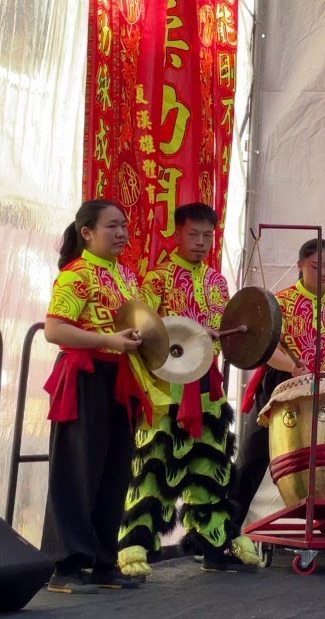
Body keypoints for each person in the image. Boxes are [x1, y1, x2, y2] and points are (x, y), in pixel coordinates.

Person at [115, 203, 259, 576]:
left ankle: (213, 544)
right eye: (193, 234)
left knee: (210, 465)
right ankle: (135, 547)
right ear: (177, 234)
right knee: (155, 464)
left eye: (207, 236)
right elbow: (143, 331)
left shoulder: (217, 282)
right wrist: (189, 330)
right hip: (167, 386)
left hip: (207, 384)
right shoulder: (157, 279)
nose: (200, 242)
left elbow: (225, 330)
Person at [230, 238, 325, 526]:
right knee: (253, 456)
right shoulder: (280, 302)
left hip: (320, 386)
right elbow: (268, 349)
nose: (324, 273)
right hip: (280, 382)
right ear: (299, 265)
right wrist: (291, 366)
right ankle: (225, 530)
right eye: (316, 266)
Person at [41, 199, 147, 594]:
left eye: (124, 226)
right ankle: (65, 565)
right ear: (87, 233)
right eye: (112, 226)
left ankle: (104, 561)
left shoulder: (126, 276)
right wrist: (109, 340)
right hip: (86, 377)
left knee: (114, 471)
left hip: (120, 378)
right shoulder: (76, 275)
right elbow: (54, 329)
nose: (121, 233)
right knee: (77, 470)